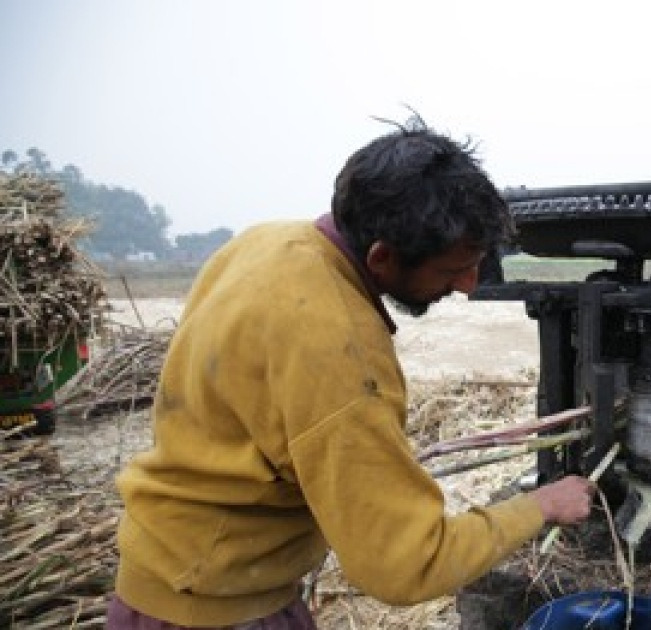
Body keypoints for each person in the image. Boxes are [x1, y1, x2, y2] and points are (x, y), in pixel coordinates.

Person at [107, 119, 596, 629]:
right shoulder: (341, 353)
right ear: (382, 257)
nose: (469, 286)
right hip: (214, 609)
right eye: (452, 271)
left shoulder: (268, 243)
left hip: (165, 579)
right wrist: (538, 506)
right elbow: (407, 564)